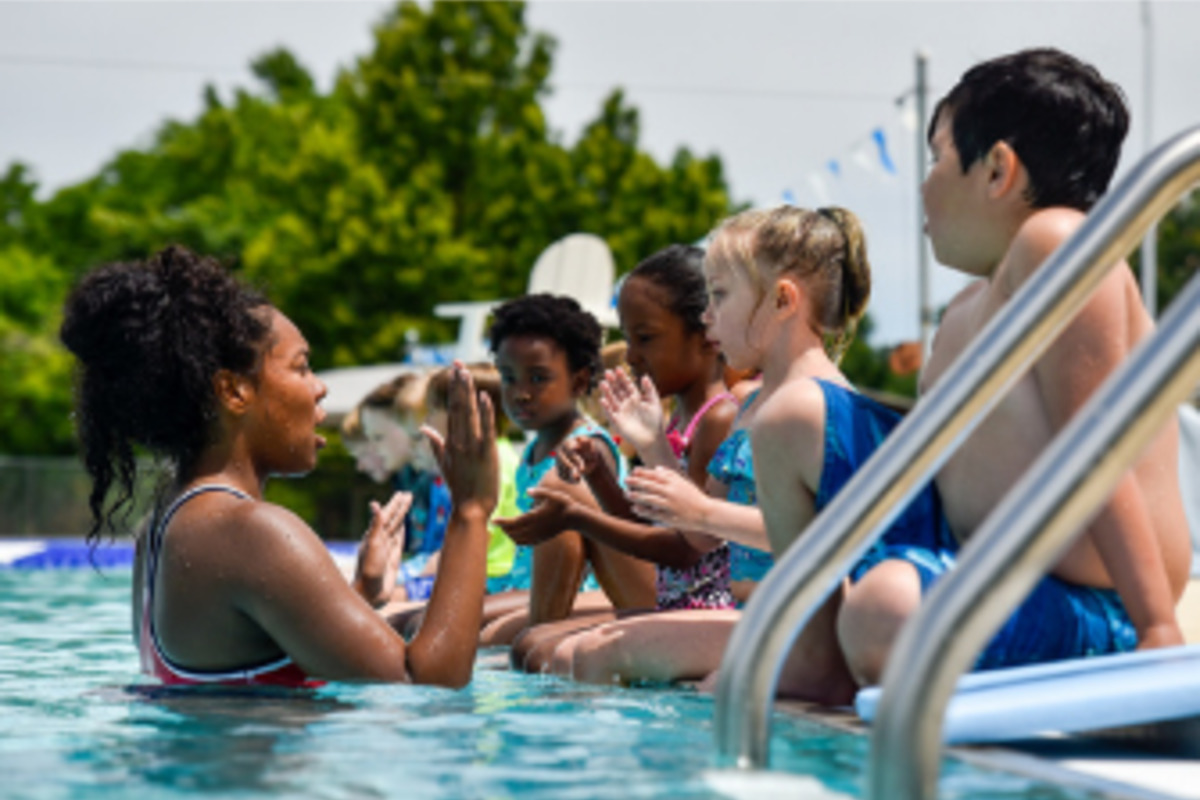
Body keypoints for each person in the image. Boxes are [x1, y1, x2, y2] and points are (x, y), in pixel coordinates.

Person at [833, 48, 1189, 689]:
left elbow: (1095, 445)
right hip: (990, 575)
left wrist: (1157, 633)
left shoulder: (1057, 242)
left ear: (997, 169)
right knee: (802, 421)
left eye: (937, 159)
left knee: (886, 609)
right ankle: (814, 646)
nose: (923, 185)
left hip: (1101, 612)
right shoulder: (966, 308)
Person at [60, 245, 497, 687]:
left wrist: (360, 596)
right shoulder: (251, 532)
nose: (319, 387)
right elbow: (426, 685)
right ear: (233, 391)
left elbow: (237, 664)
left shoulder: (163, 525)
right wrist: (471, 511)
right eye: (302, 367)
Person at [495, 245, 743, 671]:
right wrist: (598, 477)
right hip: (675, 598)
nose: (630, 356)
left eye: (645, 338)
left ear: (706, 333)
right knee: (530, 646)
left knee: (539, 651)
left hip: (702, 606)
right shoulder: (674, 421)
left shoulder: (718, 419)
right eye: (628, 339)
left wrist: (577, 517)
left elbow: (687, 551)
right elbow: (646, 528)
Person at [478, 294, 657, 645]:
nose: (521, 393)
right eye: (509, 377)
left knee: (478, 634)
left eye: (538, 378)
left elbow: (597, 548)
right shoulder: (534, 448)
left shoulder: (589, 446)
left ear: (578, 382)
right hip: (526, 586)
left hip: (578, 591)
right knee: (420, 619)